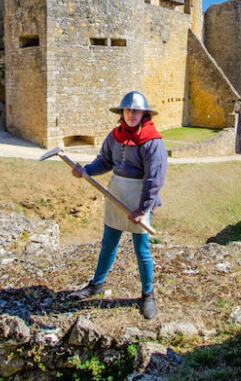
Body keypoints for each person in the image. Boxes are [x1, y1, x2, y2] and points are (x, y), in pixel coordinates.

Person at [68, 91, 167, 319]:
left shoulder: (153, 141)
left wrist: (143, 208)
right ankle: (97, 284)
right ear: (122, 112)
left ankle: (148, 294)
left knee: (142, 250)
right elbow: (104, 161)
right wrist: (86, 171)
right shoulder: (115, 136)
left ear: (144, 114)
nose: (132, 114)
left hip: (138, 199)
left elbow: (154, 178)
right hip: (116, 194)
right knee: (108, 243)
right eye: (128, 110)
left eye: (136, 111)